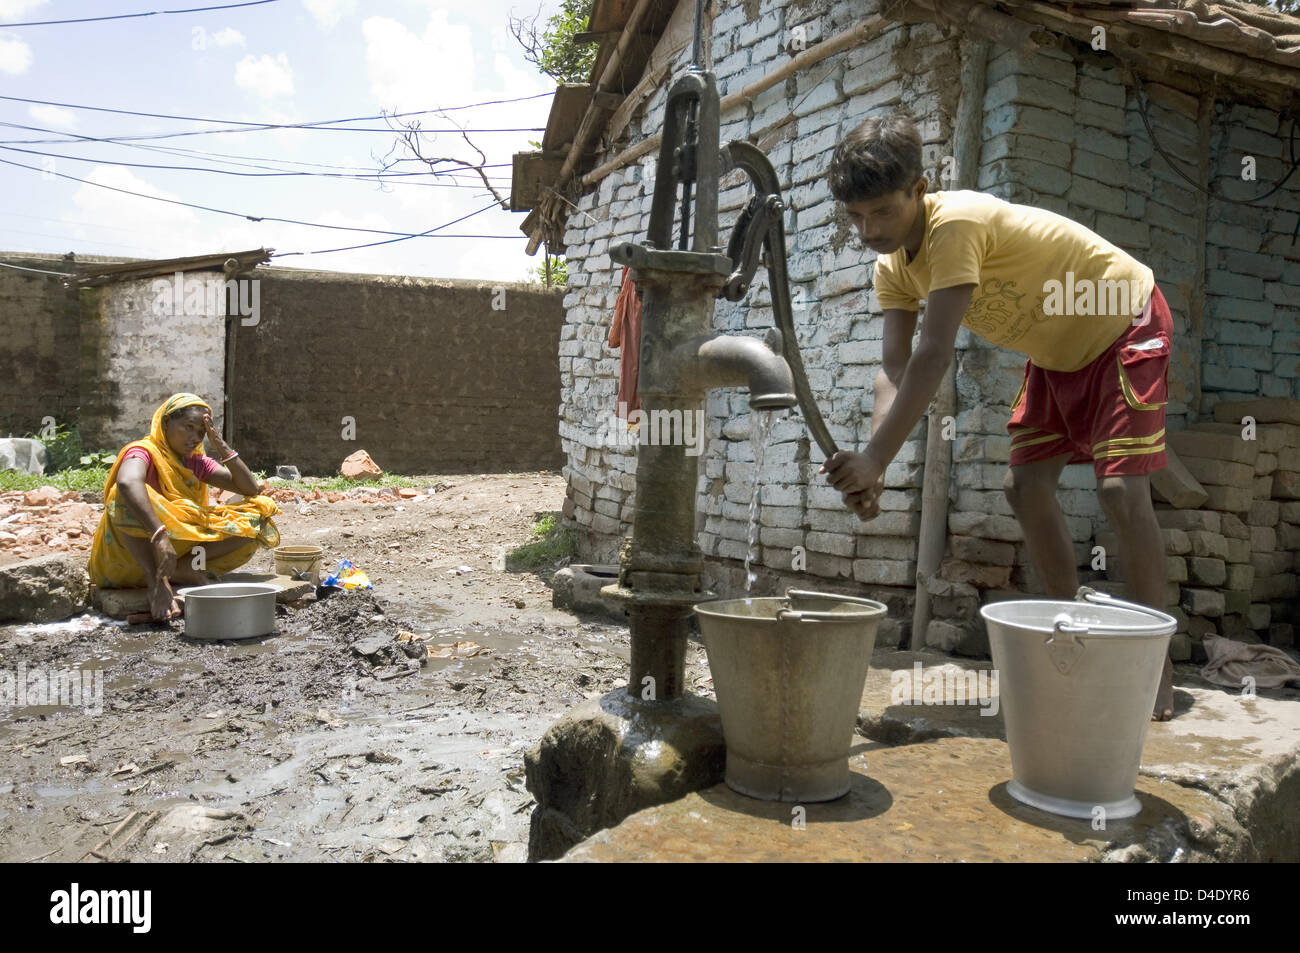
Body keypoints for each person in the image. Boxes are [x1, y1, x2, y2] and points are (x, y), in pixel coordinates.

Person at [820, 114, 1175, 720]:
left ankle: (1157, 671)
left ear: (920, 189)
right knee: (1025, 487)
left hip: (1123, 321)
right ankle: (1071, 645)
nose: (868, 230)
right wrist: (876, 468)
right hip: (1059, 354)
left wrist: (877, 456)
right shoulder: (892, 268)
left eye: (882, 212)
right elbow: (895, 368)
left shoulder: (953, 225)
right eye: (855, 216)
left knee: (1119, 491)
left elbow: (934, 354)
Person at [88, 393, 280, 622]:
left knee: (258, 515)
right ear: (166, 422)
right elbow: (127, 482)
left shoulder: (193, 462)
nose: (194, 438)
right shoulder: (142, 452)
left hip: (173, 559)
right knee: (123, 495)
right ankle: (157, 582)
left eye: (201, 432)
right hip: (129, 563)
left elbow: (250, 489)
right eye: (188, 427)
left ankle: (184, 568)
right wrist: (160, 536)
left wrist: (220, 444)